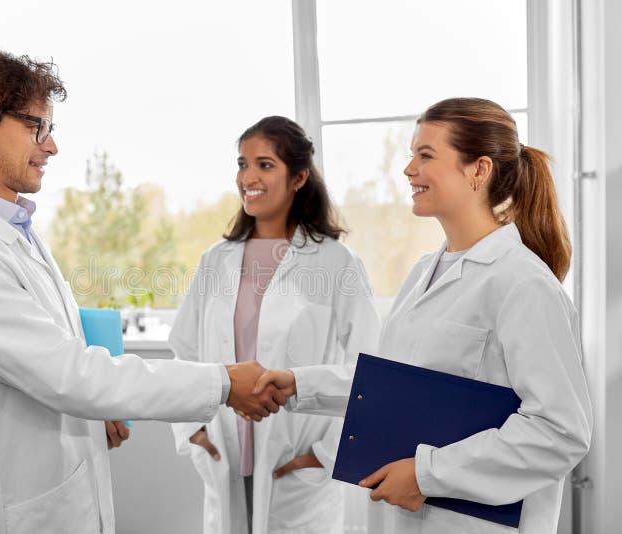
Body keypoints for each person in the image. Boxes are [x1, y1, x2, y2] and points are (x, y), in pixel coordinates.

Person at [0, 43, 287, 534]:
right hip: (7, 516)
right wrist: (223, 382)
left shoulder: (12, 230)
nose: (51, 145)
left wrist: (95, 411)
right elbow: (70, 374)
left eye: (50, 128)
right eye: (35, 126)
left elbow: (50, 355)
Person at [254, 98, 593, 533]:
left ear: (479, 170)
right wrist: (301, 383)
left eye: (425, 155)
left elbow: (560, 432)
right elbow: (396, 386)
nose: (409, 169)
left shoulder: (523, 284)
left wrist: (426, 473)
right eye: (411, 155)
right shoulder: (423, 273)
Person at [169, 116, 382, 534]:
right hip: (224, 455)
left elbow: (371, 370)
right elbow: (185, 349)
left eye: (265, 165)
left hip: (295, 464)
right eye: (243, 163)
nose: (249, 176)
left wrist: (325, 453)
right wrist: (192, 431)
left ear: (299, 176)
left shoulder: (336, 263)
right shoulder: (217, 259)